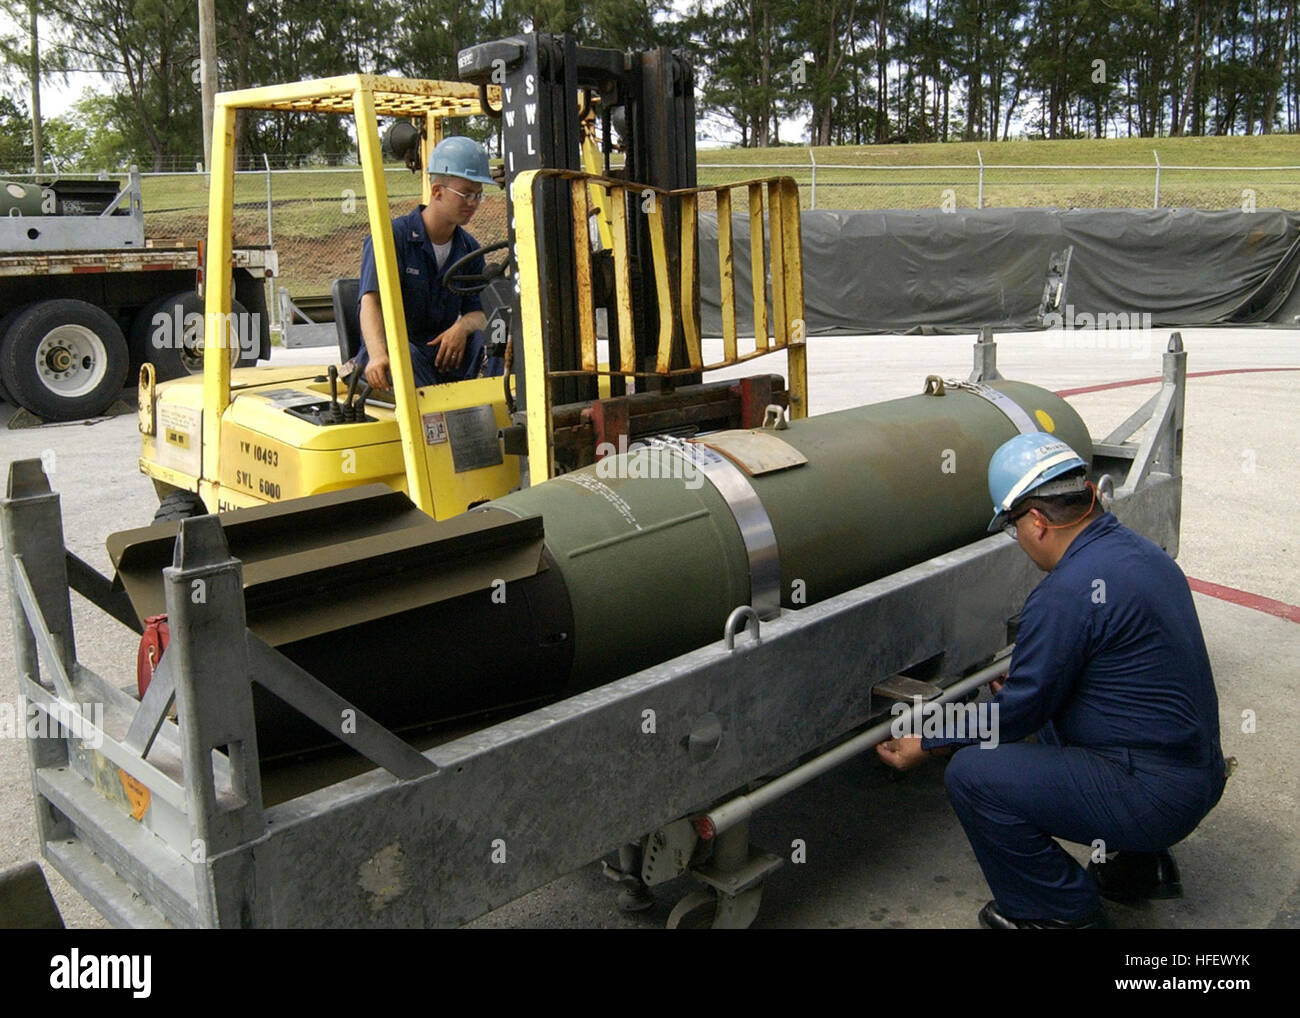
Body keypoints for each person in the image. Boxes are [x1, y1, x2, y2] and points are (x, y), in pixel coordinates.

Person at [876, 431, 1227, 929]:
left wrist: (928, 738)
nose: (1017, 539)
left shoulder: (1066, 593)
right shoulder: (1145, 556)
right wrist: (1029, 686)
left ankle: (1058, 914)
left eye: (1013, 526)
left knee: (974, 775)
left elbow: (1018, 713)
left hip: (1156, 797)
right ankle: (1137, 866)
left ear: (1037, 521)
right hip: (1199, 773)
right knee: (1060, 722)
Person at [352, 135, 498, 389]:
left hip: (439, 354)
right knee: (403, 355)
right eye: (465, 194)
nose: (473, 203)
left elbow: (480, 312)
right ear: (437, 191)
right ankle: (445, 416)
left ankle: (501, 411)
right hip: (394, 352)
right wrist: (377, 354)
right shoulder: (392, 238)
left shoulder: (468, 249)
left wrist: (462, 328)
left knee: (502, 336)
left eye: (478, 195)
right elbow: (370, 301)